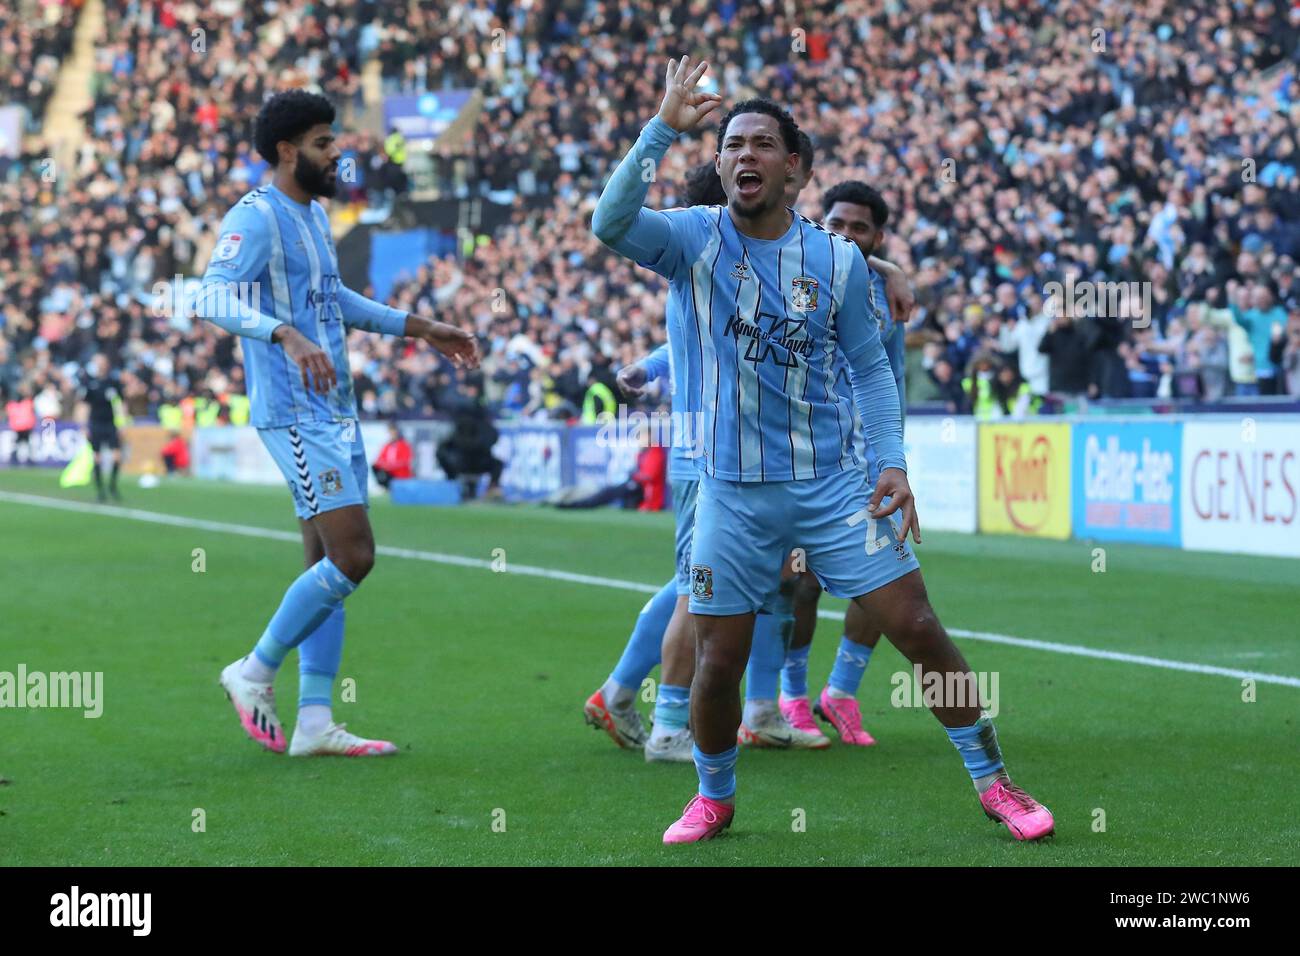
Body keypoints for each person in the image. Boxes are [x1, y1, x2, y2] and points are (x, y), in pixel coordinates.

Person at [592, 58, 1053, 845]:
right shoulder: (691, 239)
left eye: (762, 144)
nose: (744, 154)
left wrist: (891, 462)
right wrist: (662, 127)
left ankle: (995, 782)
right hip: (731, 491)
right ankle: (713, 797)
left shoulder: (836, 262)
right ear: (719, 164)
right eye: (732, 144)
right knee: (718, 659)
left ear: (796, 169)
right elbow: (609, 223)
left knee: (917, 626)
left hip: (833, 487)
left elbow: (871, 368)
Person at [197, 90, 479, 758]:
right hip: (295, 413)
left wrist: (421, 326)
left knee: (325, 566)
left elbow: (337, 300)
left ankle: (315, 721)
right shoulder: (256, 217)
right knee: (354, 556)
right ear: (287, 150)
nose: (337, 153)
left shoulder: (316, 216)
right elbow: (209, 294)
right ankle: (253, 670)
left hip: (335, 410)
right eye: (323, 142)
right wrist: (284, 334)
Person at [780, 179, 908, 749]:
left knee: (884, 584)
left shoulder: (886, 295)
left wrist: (893, 458)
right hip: (810, 458)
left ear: (877, 237)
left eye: (861, 228)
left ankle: (841, 693)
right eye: (838, 224)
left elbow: (890, 377)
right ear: (821, 224)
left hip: (868, 462)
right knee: (800, 585)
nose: (848, 236)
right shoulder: (798, 273)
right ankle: (790, 695)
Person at [436, 382, 504, 499]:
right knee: (497, 464)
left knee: (497, 464)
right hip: (467, 462)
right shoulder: (473, 426)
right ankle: (489, 489)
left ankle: (490, 489)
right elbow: (493, 439)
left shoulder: (473, 426)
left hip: (469, 462)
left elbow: (444, 446)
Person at [77, 354, 125, 503]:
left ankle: (112, 486)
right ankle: (100, 490)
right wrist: (83, 426)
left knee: (117, 456)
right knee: (96, 457)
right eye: (97, 362)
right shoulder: (90, 383)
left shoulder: (113, 382)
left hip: (110, 424)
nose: (100, 365)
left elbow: (120, 404)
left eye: (102, 362)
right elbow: (84, 405)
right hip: (95, 424)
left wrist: (122, 424)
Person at [371, 421, 413, 489]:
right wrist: (384, 464)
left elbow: (405, 461)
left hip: (399, 472)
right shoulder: (387, 445)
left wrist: (391, 465)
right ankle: (384, 485)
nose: (392, 434)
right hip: (389, 471)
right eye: (390, 432)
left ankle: (389, 486)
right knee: (374, 466)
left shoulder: (404, 445)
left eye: (393, 432)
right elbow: (380, 458)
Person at [5, 385, 36, 465]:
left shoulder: (25, 403)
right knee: (17, 444)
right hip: (19, 428)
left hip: (23, 427)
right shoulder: (24, 403)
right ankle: (15, 458)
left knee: (24, 444)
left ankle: (25, 458)